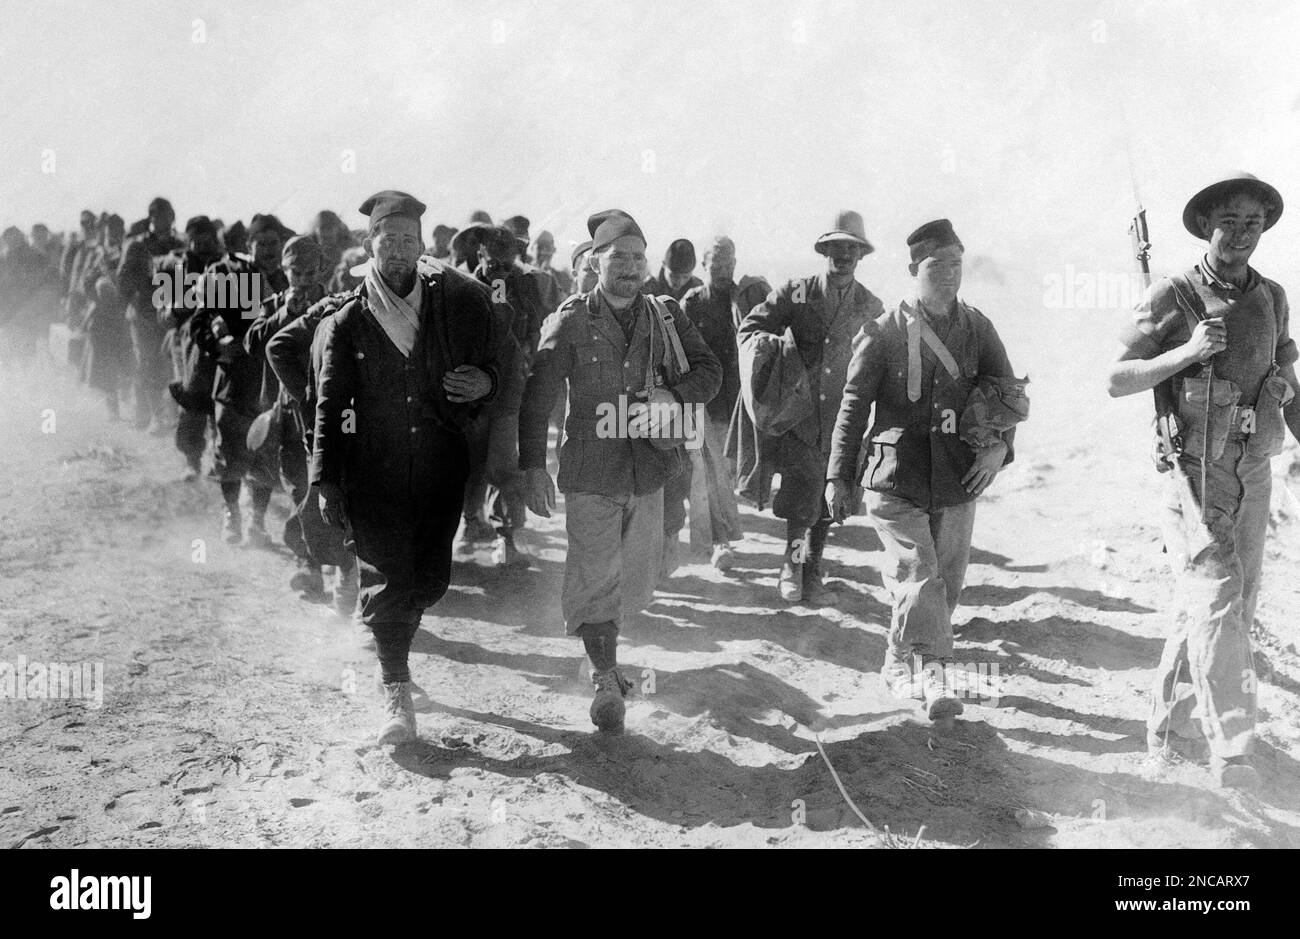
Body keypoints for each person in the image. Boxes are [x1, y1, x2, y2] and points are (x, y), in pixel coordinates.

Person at [1106, 173, 1299, 790]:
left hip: (1252, 468)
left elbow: (1286, 376)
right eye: (1229, 222)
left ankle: (1170, 728)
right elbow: (1118, 377)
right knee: (1216, 599)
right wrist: (1186, 352)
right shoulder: (1174, 295)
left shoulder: (1271, 295)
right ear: (1207, 225)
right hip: (1195, 471)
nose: (1242, 234)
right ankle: (1232, 746)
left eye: (1253, 223)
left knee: (1227, 607)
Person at [313, 190, 504, 746]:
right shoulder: (350, 319)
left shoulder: (456, 304)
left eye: (406, 241)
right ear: (368, 246)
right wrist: (326, 478)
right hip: (373, 473)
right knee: (389, 577)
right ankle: (395, 684)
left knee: (427, 579)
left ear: (421, 248)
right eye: (386, 240)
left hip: (441, 465)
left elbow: (498, 356)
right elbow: (331, 402)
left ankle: (394, 637)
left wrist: (486, 381)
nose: (397, 251)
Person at [519, 209, 721, 733]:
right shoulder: (571, 320)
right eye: (618, 258)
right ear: (595, 262)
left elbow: (710, 371)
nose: (630, 268)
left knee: (632, 584)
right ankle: (607, 681)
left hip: (649, 472)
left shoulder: (667, 316)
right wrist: (530, 466)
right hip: (591, 474)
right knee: (596, 578)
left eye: (637, 258)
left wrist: (673, 396)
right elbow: (537, 395)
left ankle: (601, 654)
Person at [828, 219, 1025, 721]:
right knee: (920, 574)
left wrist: (999, 448)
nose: (949, 276)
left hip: (958, 477)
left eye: (957, 265)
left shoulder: (978, 327)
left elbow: (1008, 396)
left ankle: (898, 661)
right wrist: (837, 476)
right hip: (897, 476)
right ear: (914, 269)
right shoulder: (883, 331)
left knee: (947, 584)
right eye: (938, 266)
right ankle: (934, 674)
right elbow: (853, 407)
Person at [738, 211, 885, 603]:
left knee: (828, 496)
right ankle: (793, 563)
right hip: (799, 415)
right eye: (836, 248)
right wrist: (775, 359)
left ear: (861, 255)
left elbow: (882, 362)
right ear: (824, 251)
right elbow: (752, 329)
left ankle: (814, 567)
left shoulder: (870, 306)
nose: (843, 256)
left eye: (850, 248)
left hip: (842, 418)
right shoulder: (798, 291)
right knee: (803, 495)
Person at [192, 214, 292, 544]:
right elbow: (201, 322)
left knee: (265, 453)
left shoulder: (290, 281)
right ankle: (231, 514)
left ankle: (257, 521)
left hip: (270, 384)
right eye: (260, 244)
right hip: (234, 380)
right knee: (230, 451)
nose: (267, 250)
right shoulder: (226, 276)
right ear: (248, 247)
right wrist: (220, 344)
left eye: (273, 243)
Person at [673, 236, 770, 572]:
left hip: (739, 401)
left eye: (728, 264)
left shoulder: (746, 298)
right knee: (709, 473)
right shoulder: (692, 303)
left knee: (728, 472)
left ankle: (722, 534)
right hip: (705, 401)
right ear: (704, 265)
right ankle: (719, 541)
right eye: (715, 265)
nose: (722, 270)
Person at [458, 225, 535, 566]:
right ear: (481, 254)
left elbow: (534, 326)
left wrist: (527, 353)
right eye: (494, 264)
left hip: (508, 389)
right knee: (468, 464)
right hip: (471, 390)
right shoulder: (461, 285)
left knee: (504, 464)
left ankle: (507, 537)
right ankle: (469, 524)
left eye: (507, 265)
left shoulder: (522, 285)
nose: (500, 272)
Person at [156, 216, 224, 479]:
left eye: (208, 241)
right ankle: (192, 460)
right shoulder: (175, 267)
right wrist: (177, 307)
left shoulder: (230, 266)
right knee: (192, 400)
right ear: (188, 240)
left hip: (220, 341)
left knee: (223, 401)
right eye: (197, 241)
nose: (203, 247)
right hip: (187, 343)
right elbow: (162, 313)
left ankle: (220, 459)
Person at [119, 197, 184, 431]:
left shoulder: (180, 244)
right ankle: (149, 415)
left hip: (171, 312)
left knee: (171, 364)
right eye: (157, 216)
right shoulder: (137, 246)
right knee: (148, 363)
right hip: (144, 313)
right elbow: (124, 278)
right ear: (151, 219)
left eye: (167, 216)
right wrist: (133, 302)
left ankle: (169, 415)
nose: (163, 221)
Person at [78, 215, 133, 419]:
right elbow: (86, 282)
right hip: (103, 318)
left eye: (115, 232)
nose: (111, 237)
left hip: (124, 317)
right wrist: (98, 288)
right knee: (105, 365)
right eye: (108, 233)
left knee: (128, 364)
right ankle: (113, 411)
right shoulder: (99, 254)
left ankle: (131, 406)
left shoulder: (130, 252)